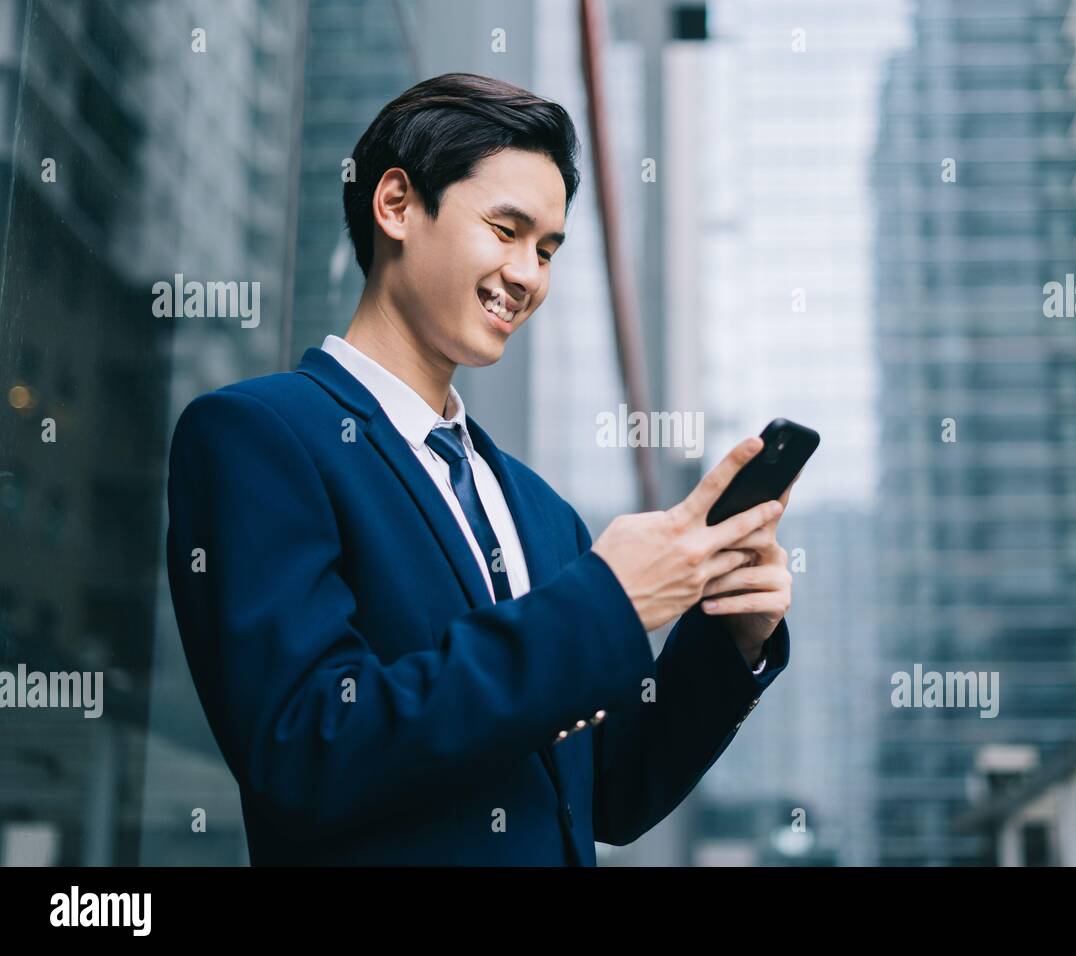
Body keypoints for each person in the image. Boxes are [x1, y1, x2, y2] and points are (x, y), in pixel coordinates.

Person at [165, 73, 796, 865]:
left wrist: (728, 637)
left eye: (547, 250)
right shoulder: (259, 437)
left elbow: (608, 794)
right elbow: (309, 748)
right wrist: (609, 602)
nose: (529, 276)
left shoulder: (540, 512)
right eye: (506, 230)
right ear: (395, 204)